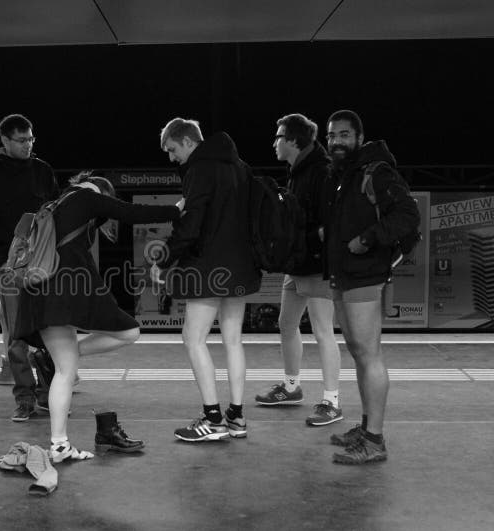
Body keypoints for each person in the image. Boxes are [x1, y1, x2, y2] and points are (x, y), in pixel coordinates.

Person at [8, 173, 180, 461]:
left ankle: (60, 446)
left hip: (38, 289)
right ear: (101, 192)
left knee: (65, 372)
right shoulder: (87, 197)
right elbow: (130, 213)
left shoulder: (55, 206)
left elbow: (95, 222)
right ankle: (57, 361)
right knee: (129, 332)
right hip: (68, 288)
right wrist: (175, 211)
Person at [153, 118, 261, 442]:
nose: (172, 158)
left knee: (193, 337)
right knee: (233, 340)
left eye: (172, 150)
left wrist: (165, 259)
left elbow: (192, 225)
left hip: (208, 267)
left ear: (187, 141)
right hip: (241, 265)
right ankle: (236, 418)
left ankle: (213, 420)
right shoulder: (241, 167)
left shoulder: (200, 170)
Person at [323, 109, 420, 464]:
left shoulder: (377, 171)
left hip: (364, 273)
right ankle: (366, 428)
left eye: (344, 135)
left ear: (359, 138)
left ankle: (375, 440)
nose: (336, 141)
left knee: (369, 354)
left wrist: (367, 239)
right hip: (345, 274)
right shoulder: (343, 175)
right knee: (358, 353)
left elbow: (408, 216)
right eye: (332, 135)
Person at [0, 113, 59, 422]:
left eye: (31, 139)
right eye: (22, 141)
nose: (28, 145)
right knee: (16, 338)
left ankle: (51, 394)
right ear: (5, 141)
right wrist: (0, 265)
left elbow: (56, 216)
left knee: (49, 332)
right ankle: (24, 398)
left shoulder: (43, 171)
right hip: (9, 269)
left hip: (44, 266)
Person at [254, 113, 343, 426]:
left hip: (317, 263)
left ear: (293, 141)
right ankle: (292, 388)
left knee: (322, 330)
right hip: (298, 262)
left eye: (279, 137)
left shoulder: (321, 170)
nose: (274, 142)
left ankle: (331, 401)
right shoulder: (297, 170)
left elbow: (327, 223)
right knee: (286, 323)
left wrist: (303, 240)